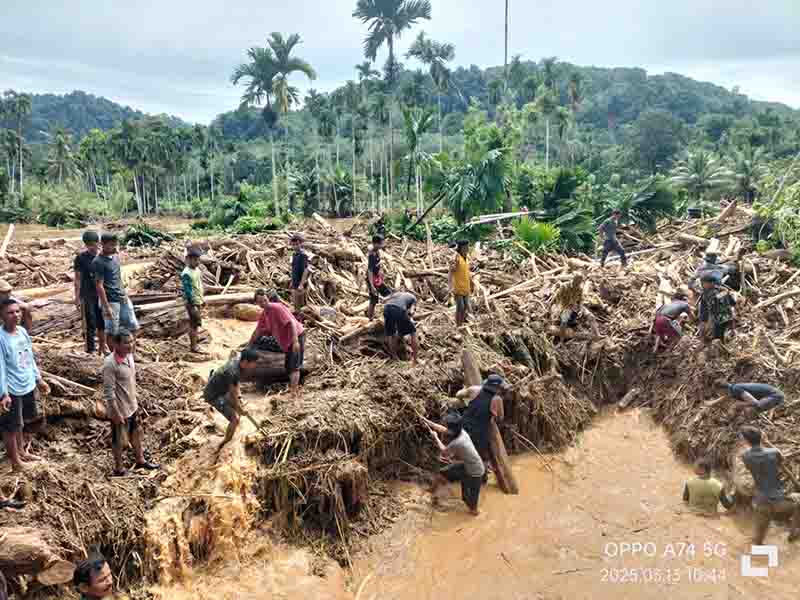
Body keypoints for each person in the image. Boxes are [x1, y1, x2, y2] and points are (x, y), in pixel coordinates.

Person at [0, 298, 49, 472]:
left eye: (17, 311)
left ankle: (21, 451)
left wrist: (38, 379)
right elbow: (0, 367)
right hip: (11, 387)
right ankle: (16, 462)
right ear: (2, 316)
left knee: (20, 422)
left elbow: (29, 357)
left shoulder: (21, 331)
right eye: (10, 312)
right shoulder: (1, 338)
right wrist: (4, 393)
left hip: (26, 383)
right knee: (10, 427)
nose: (15, 315)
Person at [102, 329, 158, 477]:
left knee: (136, 433)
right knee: (119, 439)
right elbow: (108, 392)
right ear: (116, 344)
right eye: (126, 343)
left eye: (132, 341)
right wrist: (115, 413)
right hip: (119, 409)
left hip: (132, 405)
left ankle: (140, 459)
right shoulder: (110, 364)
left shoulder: (129, 356)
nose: (131, 345)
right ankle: (119, 469)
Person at [740, 426, 800, 544]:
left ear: (746, 441)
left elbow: (750, 466)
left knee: (758, 540)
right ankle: (793, 532)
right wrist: (767, 442)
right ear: (761, 437)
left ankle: (758, 548)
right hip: (780, 499)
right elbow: (782, 459)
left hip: (761, 501)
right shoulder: (773, 452)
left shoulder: (745, 456)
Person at [423, 413, 484, 516]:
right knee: (441, 474)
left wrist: (435, 437)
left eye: (447, 426)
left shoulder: (458, 442)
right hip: (467, 465)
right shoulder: (461, 431)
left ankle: (474, 515)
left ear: (452, 430)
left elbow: (444, 452)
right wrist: (428, 422)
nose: (445, 428)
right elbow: (443, 429)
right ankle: (431, 492)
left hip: (476, 472)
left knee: (472, 507)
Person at [248, 290, 305, 397]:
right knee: (288, 366)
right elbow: (257, 331)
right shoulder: (265, 314)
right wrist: (249, 346)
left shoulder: (276, 308)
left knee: (294, 366)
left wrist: (295, 341)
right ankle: (294, 389)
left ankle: (294, 393)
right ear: (257, 303)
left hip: (296, 336)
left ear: (267, 298)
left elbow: (291, 322)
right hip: (286, 341)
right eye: (260, 301)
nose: (264, 303)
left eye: (265, 300)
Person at [203, 348, 260, 449]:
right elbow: (232, 393)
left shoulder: (237, 362)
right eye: (254, 363)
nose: (255, 365)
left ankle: (233, 429)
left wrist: (239, 398)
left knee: (239, 406)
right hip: (213, 395)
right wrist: (238, 408)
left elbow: (235, 384)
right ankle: (225, 442)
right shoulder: (232, 371)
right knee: (235, 419)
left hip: (222, 390)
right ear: (245, 362)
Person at [93, 233, 138, 352]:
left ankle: (131, 353)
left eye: (115, 244)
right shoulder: (98, 262)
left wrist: (124, 293)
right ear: (102, 244)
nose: (114, 247)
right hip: (110, 300)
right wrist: (106, 306)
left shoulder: (115, 257)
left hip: (122, 297)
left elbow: (117, 278)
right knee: (112, 331)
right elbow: (99, 285)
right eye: (111, 245)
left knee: (133, 326)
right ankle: (115, 356)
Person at [459, 375, 506, 477]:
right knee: (479, 458)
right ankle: (480, 477)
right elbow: (500, 418)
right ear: (498, 388)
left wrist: (464, 403)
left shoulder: (474, 390)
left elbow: (458, 394)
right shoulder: (497, 399)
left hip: (462, 427)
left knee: (463, 455)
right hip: (479, 434)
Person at [74, 231, 108, 355]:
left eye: (94, 244)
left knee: (102, 321)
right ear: (85, 245)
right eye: (89, 245)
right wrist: (77, 297)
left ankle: (103, 346)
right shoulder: (80, 258)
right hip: (87, 294)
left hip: (102, 293)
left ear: (98, 243)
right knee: (90, 322)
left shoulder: (104, 257)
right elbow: (77, 279)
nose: (92, 247)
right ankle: (90, 349)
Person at [697, 272, 736, 344]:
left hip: (718, 321)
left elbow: (704, 312)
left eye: (703, 283)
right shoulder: (724, 290)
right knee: (729, 338)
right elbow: (733, 302)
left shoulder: (706, 294)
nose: (702, 285)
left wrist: (703, 323)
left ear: (709, 283)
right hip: (729, 318)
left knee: (718, 339)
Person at [383, 291, 418, 364]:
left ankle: (394, 357)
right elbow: (411, 311)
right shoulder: (413, 298)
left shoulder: (397, 293)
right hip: (398, 309)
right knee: (413, 332)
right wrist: (410, 319)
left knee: (391, 334)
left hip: (386, 308)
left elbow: (384, 300)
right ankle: (415, 360)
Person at [181, 247, 205, 353]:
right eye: (195, 260)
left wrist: (202, 299)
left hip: (198, 300)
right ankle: (194, 347)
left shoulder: (197, 270)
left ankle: (195, 343)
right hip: (192, 303)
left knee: (195, 324)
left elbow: (199, 285)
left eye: (198, 259)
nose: (197, 262)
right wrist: (193, 305)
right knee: (194, 324)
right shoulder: (186, 273)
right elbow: (188, 292)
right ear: (188, 259)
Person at [366, 235, 392, 320]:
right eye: (381, 243)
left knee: (388, 294)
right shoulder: (371, 255)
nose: (382, 245)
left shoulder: (376, 251)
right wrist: (372, 286)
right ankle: (370, 318)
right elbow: (370, 271)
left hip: (377, 277)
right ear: (375, 243)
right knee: (374, 299)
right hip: (372, 278)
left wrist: (380, 273)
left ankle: (387, 314)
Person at [449, 240, 472, 327]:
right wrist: (450, 286)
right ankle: (458, 325)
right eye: (466, 247)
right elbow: (451, 272)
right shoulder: (456, 257)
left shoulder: (466, 258)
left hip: (466, 286)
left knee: (465, 307)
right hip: (458, 286)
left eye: (468, 247)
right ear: (461, 248)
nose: (467, 249)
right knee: (460, 307)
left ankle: (461, 324)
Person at [289, 233, 310, 315]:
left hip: (300, 283)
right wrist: (292, 281)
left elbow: (306, 270)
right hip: (295, 281)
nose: (295, 246)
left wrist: (301, 284)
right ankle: (297, 318)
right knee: (295, 303)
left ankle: (302, 319)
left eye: (297, 244)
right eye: (293, 245)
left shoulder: (303, 255)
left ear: (300, 244)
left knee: (300, 304)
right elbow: (293, 269)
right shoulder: (294, 254)